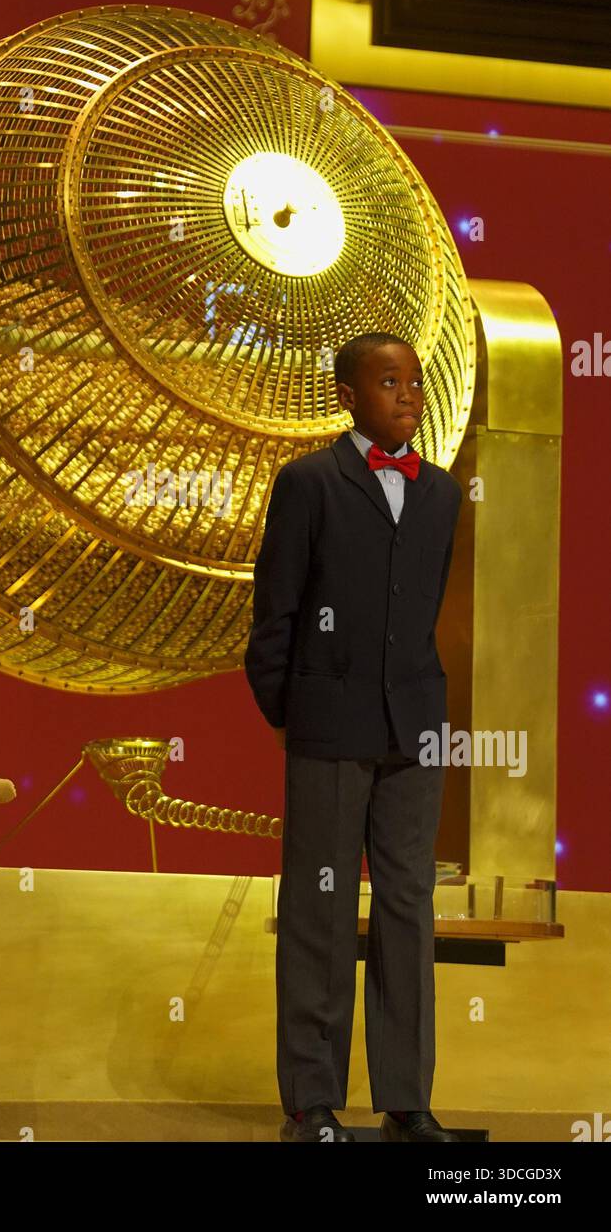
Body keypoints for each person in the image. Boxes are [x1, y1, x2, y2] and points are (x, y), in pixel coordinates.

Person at [244, 332, 462, 1143]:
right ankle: (311, 1103)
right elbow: (277, 616)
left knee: (408, 908)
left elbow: (424, 606)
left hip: (415, 731)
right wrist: (291, 712)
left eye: (414, 381)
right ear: (348, 395)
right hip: (328, 729)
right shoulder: (309, 483)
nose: (407, 395)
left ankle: (407, 1100)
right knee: (322, 910)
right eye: (388, 381)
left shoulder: (440, 494)